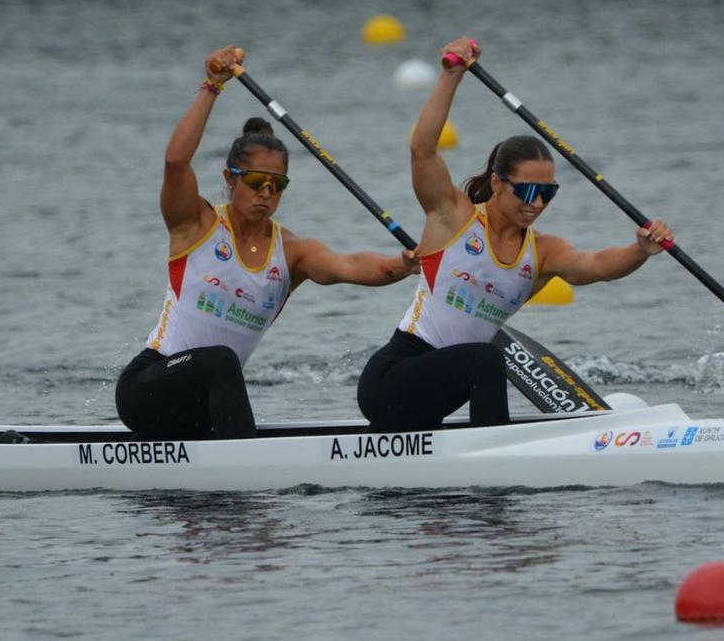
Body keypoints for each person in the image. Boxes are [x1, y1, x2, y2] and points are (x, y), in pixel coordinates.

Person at [356, 37, 674, 433]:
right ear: (497, 183)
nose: (537, 202)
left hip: (443, 389)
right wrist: (451, 77)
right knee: (487, 358)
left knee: (482, 358)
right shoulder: (453, 218)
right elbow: (423, 150)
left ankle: (485, 456)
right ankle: (494, 476)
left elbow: (597, 266)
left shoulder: (543, 252)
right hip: (393, 376)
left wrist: (640, 249)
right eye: (527, 190)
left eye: (548, 192)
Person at [117, 45, 418, 441]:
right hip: (148, 388)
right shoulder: (195, 225)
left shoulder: (291, 253)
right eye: (257, 182)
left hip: (202, 405)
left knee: (221, 368)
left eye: (277, 185)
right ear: (230, 179)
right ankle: (245, 476)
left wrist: (407, 264)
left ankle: (237, 471)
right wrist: (212, 86)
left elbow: (351, 266)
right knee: (222, 362)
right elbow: (176, 162)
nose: (266, 193)